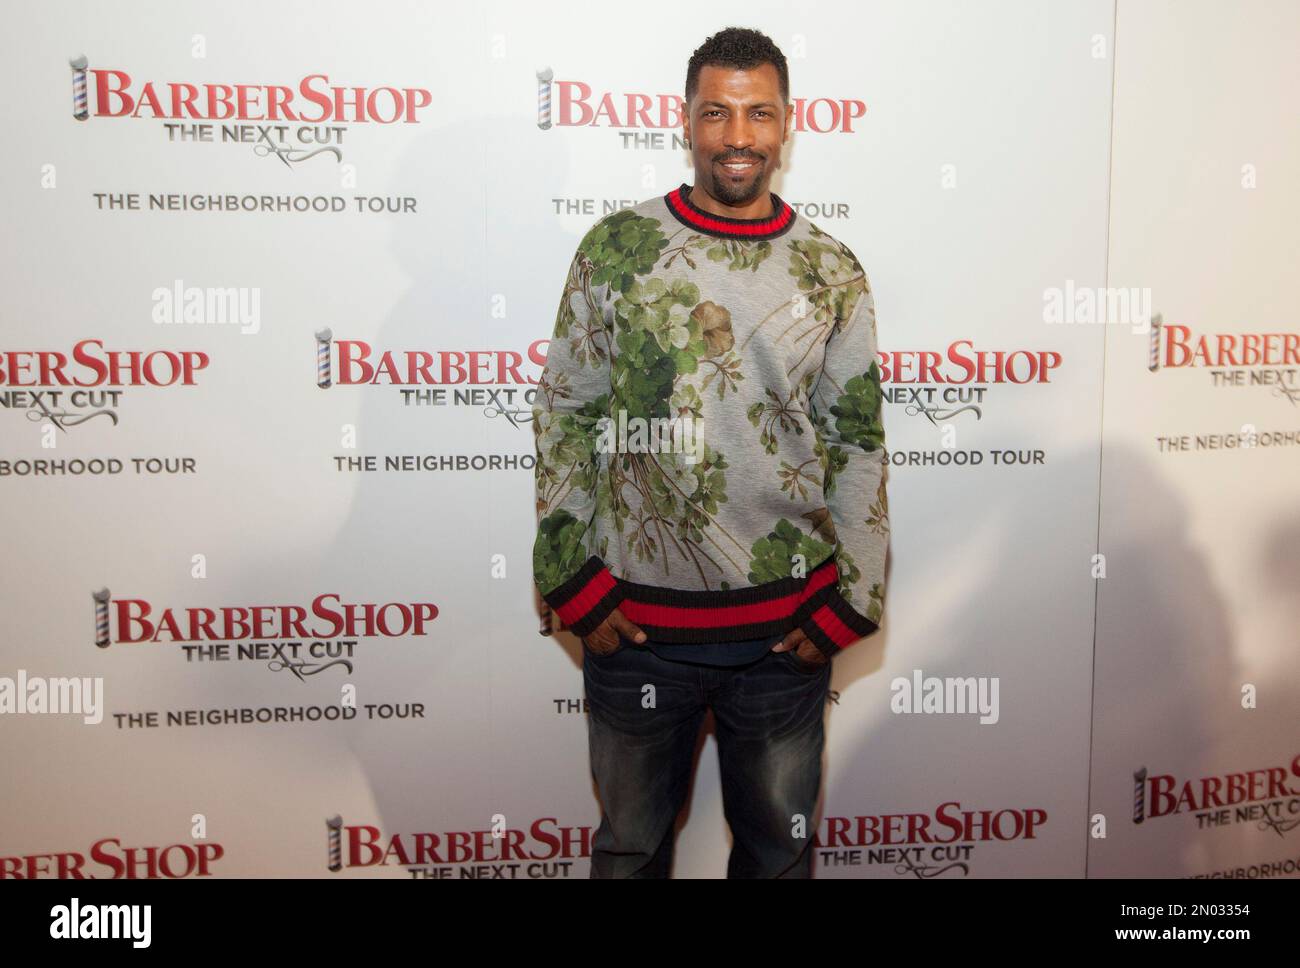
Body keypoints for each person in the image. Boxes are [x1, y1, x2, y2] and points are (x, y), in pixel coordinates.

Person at [532, 27, 890, 878]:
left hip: (783, 640)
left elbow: (859, 440)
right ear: (685, 122)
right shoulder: (616, 249)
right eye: (717, 113)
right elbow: (566, 412)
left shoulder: (830, 269)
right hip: (633, 635)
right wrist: (569, 578)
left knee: (777, 862)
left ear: (787, 126)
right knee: (628, 854)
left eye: (758, 113)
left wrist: (854, 601)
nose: (738, 136)